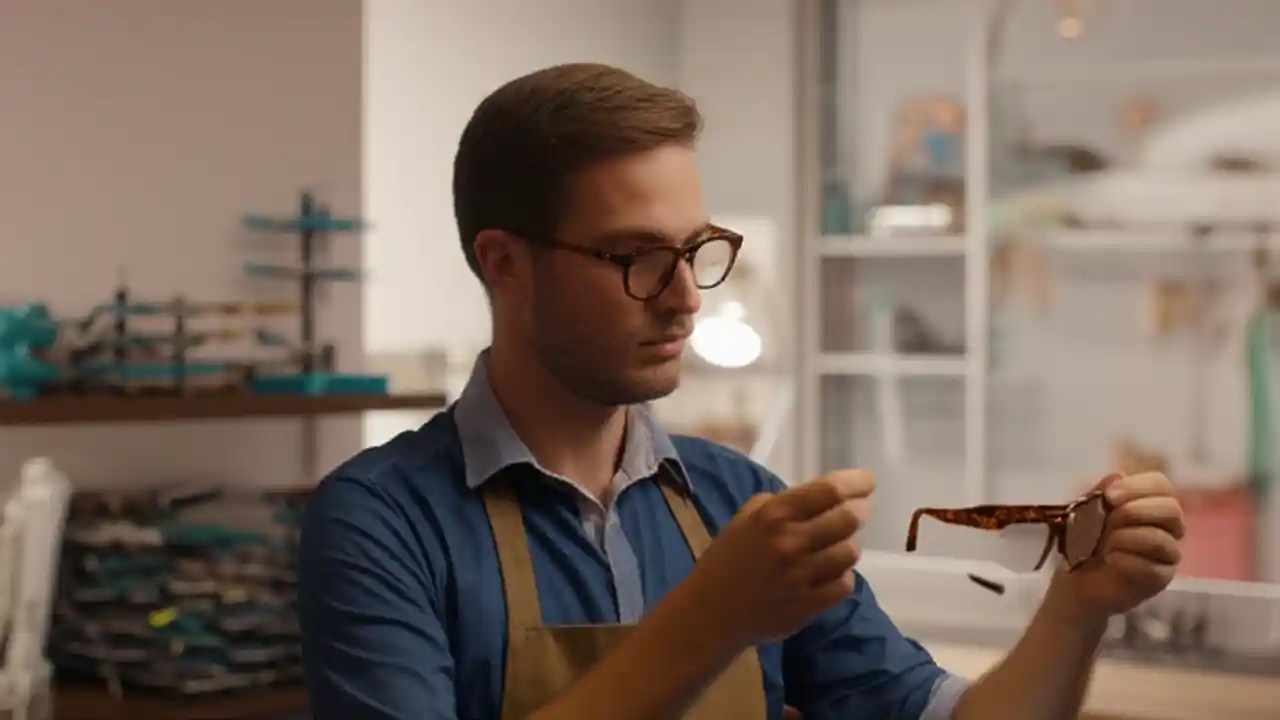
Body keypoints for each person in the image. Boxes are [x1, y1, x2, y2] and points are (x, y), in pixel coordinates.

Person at [297, 63, 1186, 720]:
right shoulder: (381, 522)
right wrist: (712, 618)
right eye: (636, 256)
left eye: (696, 250)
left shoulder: (738, 503)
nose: (686, 293)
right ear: (505, 263)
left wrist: (1076, 609)